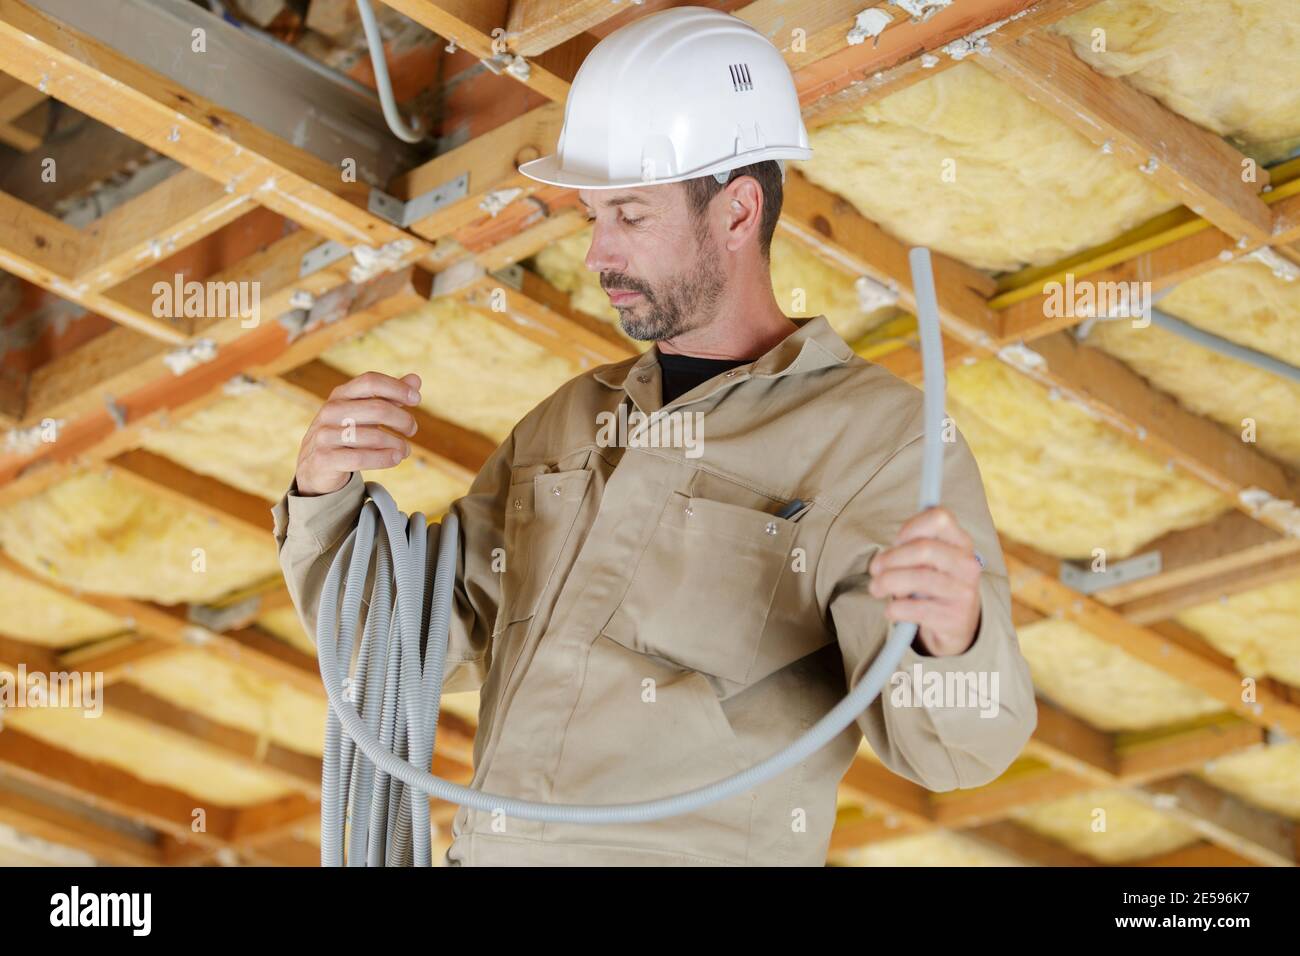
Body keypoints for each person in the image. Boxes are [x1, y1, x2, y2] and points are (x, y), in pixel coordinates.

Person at [274, 6, 1036, 866]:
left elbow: (958, 751)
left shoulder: (877, 442)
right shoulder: (565, 423)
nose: (599, 252)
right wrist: (322, 496)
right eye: (594, 215)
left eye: (630, 216)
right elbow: (396, 648)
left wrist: (953, 636)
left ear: (739, 212)